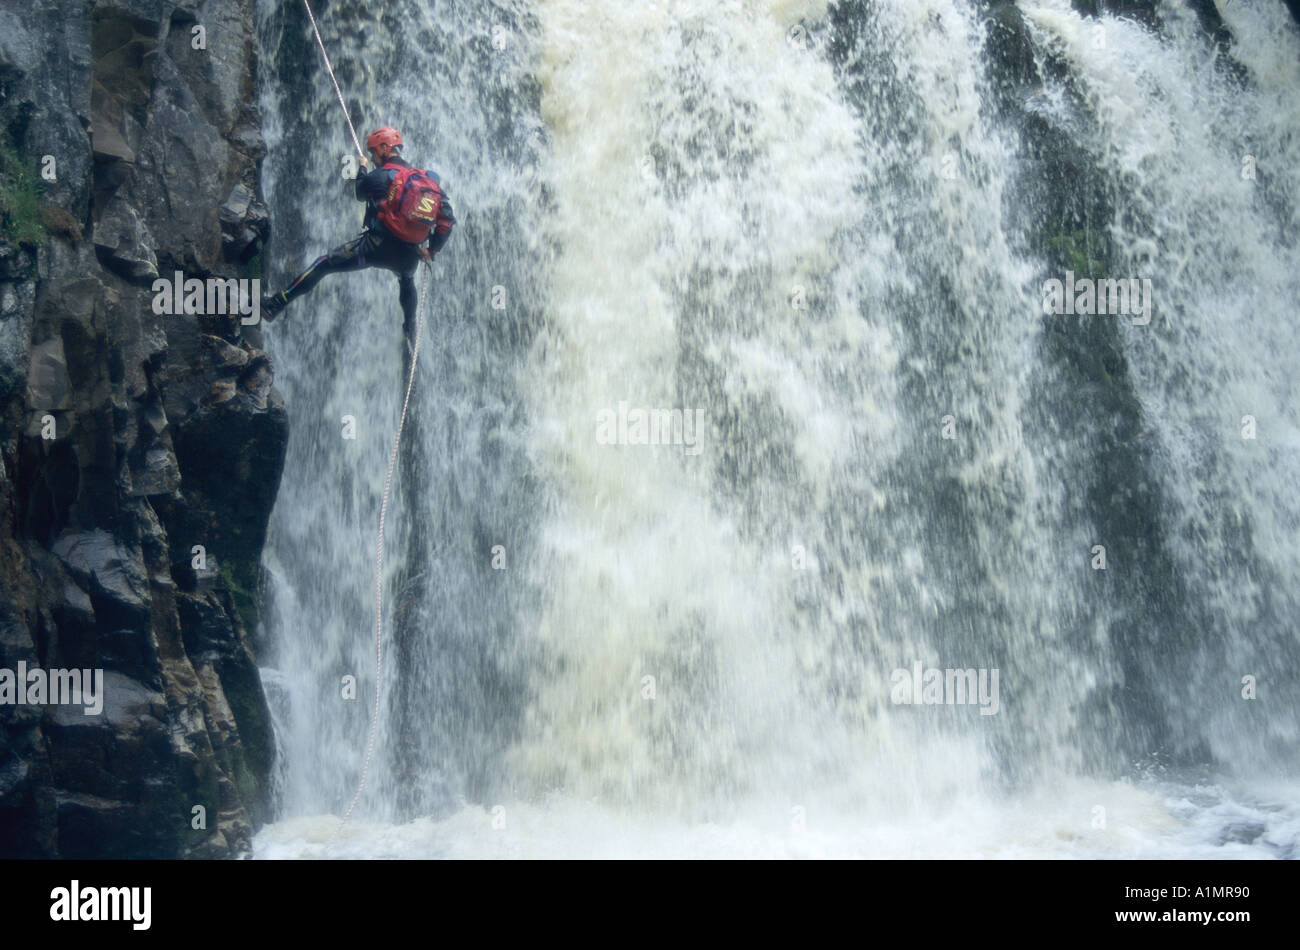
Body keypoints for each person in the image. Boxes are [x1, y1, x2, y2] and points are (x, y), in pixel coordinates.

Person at [261, 127, 455, 338]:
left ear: (384, 147)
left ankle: (276, 303)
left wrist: (362, 169)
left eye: (372, 152)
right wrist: (433, 250)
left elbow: (360, 192)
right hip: (408, 257)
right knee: (407, 281)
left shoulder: (379, 175)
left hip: (376, 248)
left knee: (324, 264)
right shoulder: (426, 182)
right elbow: (446, 220)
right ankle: (410, 328)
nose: (371, 158)